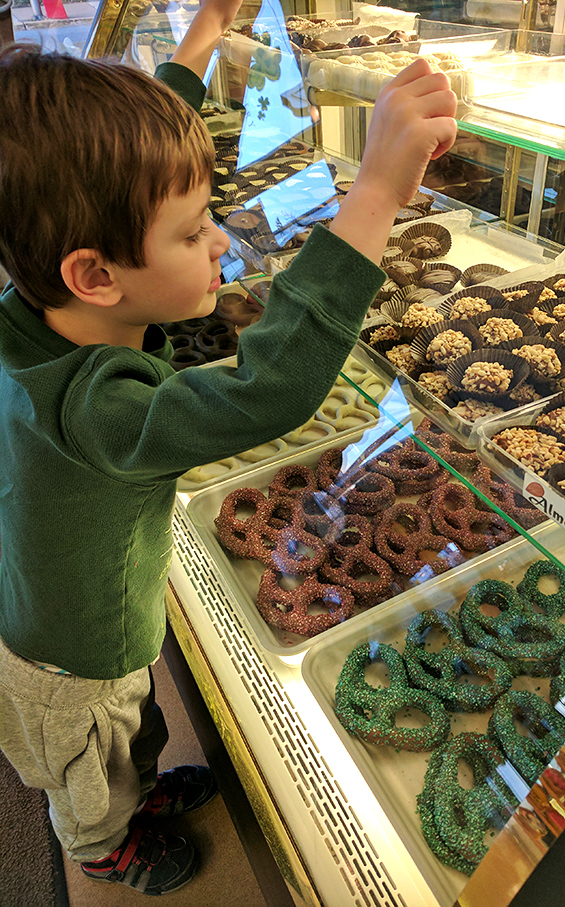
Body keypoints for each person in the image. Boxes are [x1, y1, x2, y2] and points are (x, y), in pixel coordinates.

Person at [0, 0, 457, 896]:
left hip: (73, 610)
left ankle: (134, 792)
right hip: (69, 655)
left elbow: (122, 179)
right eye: (191, 231)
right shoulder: (97, 410)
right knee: (94, 762)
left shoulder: (31, 312)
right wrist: (373, 195)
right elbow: (266, 388)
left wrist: (204, 35)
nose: (220, 239)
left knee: (134, 726)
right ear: (95, 274)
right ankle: (104, 844)